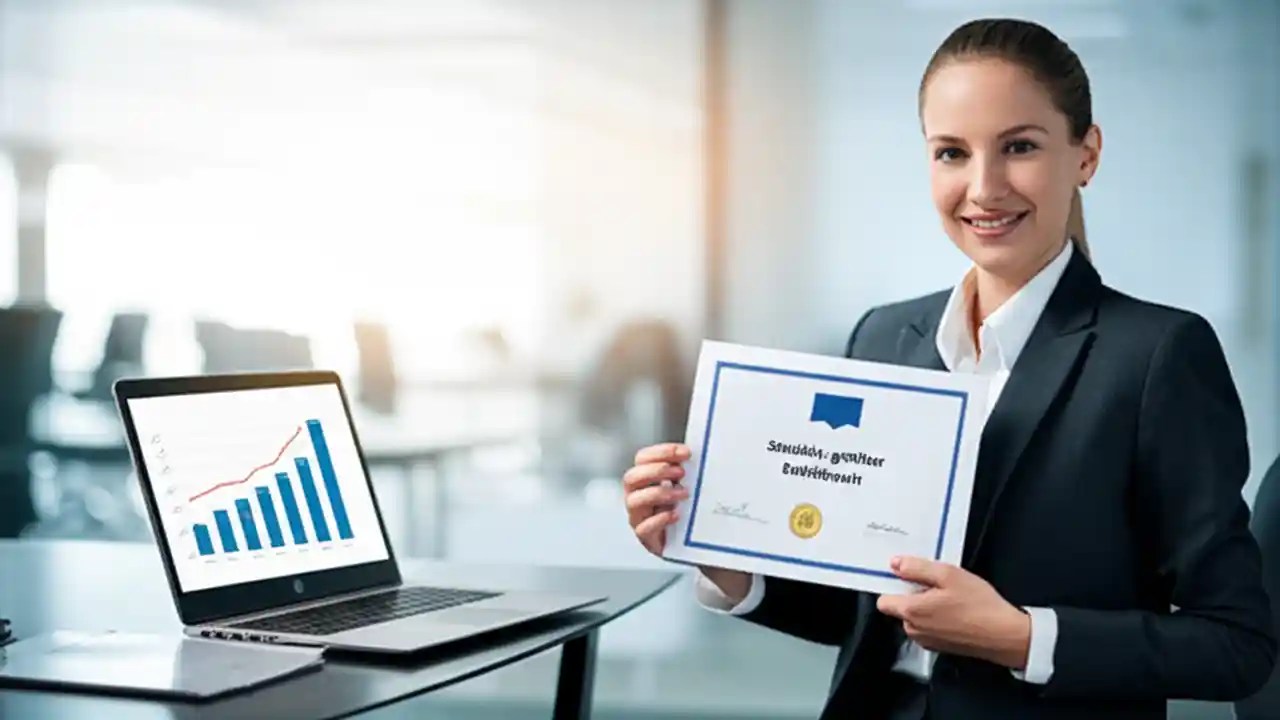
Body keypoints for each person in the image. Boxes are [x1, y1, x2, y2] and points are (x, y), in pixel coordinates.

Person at [621, 17, 1275, 720]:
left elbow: (1234, 646)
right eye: (952, 153)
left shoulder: (1157, 356)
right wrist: (724, 558)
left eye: (1019, 147)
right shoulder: (884, 335)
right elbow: (871, 615)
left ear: (1086, 155)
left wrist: (1023, 639)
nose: (984, 188)